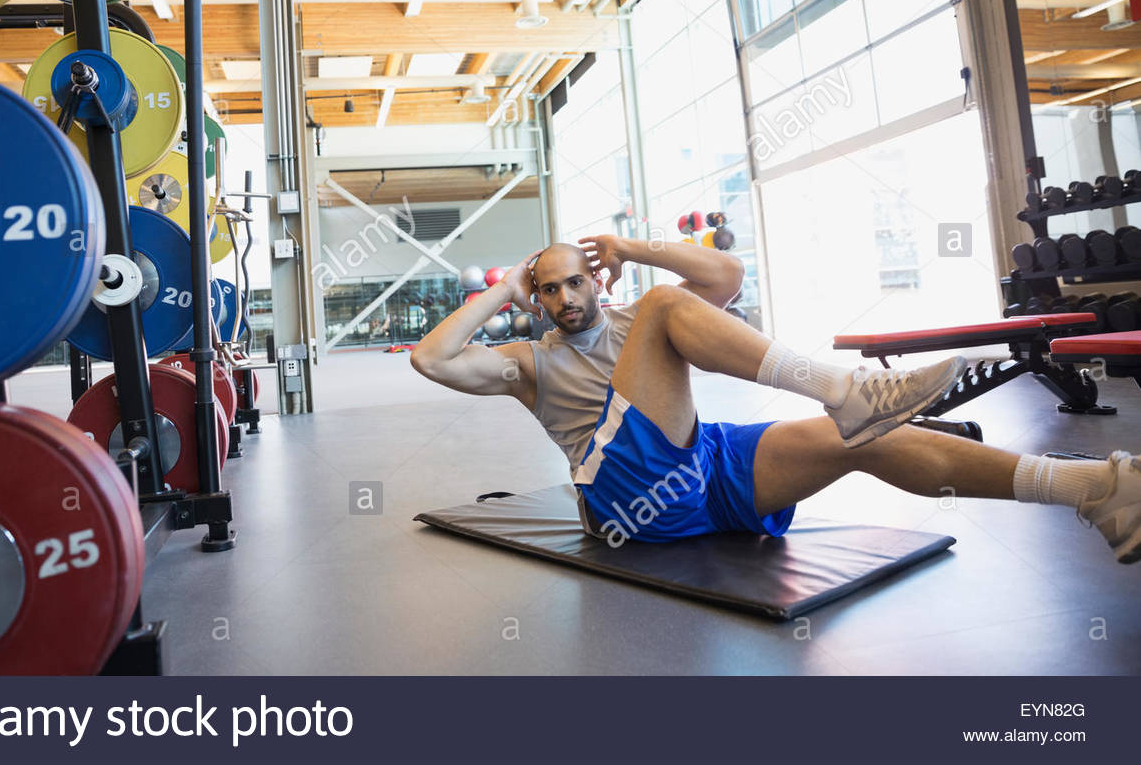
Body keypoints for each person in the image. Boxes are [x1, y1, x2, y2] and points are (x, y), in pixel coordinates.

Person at [410, 236, 1140, 562]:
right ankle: (844, 391)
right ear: (535, 301)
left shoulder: (638, 318)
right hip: (624, 493)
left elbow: (725, 275)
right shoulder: (529, 362)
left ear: (597, 281)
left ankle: (1091, 490)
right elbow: (430, 358)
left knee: (867, 442)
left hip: (704, 460)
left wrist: (633, 248)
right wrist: (502, 291)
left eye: (577, 280)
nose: (567, 297)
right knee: (669, 307)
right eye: (549, 289)